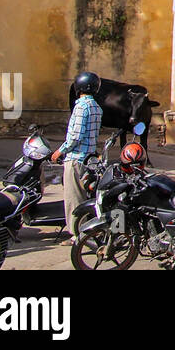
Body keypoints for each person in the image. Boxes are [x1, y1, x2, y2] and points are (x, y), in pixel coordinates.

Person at [52, 70, 103, 241]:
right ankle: (86, 230)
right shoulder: (96, 107)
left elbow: (75, 136)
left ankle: (77, 235)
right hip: (89, 158)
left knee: (73, 198)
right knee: (83, 197)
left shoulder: (81, 106)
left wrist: (61, 150)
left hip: (76, 158)